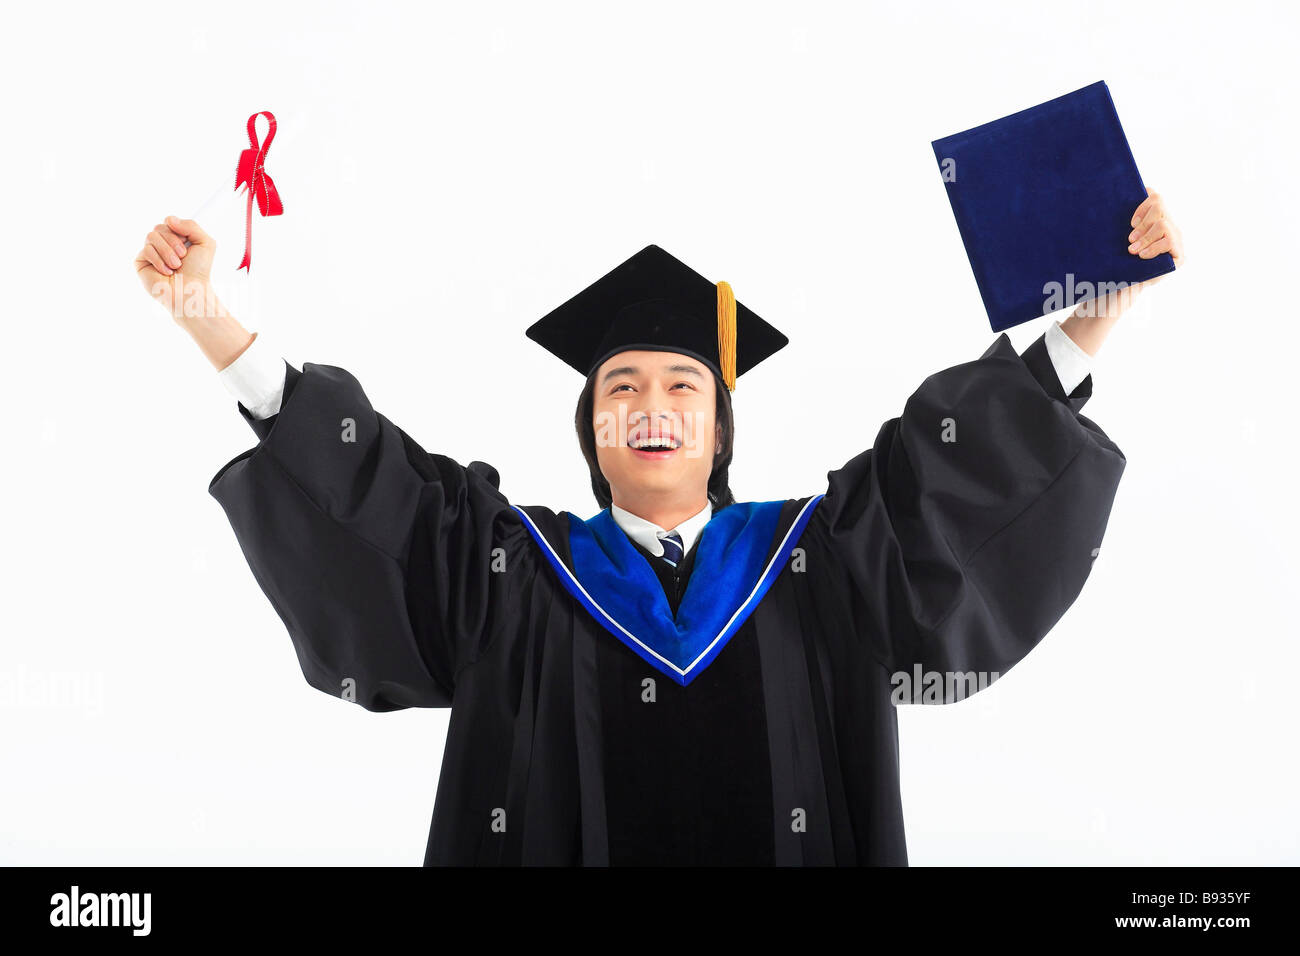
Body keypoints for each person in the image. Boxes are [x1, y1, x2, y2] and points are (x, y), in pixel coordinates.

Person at [133, 196, 1183, 865]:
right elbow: (373, 491)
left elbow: (952, 474)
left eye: (685, 383)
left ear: (718, 428)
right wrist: (207, 318)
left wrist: (1096, 308)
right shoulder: (508, 567)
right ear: (591, 425)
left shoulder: (821, 558)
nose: (651, 401)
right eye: (621, 384)